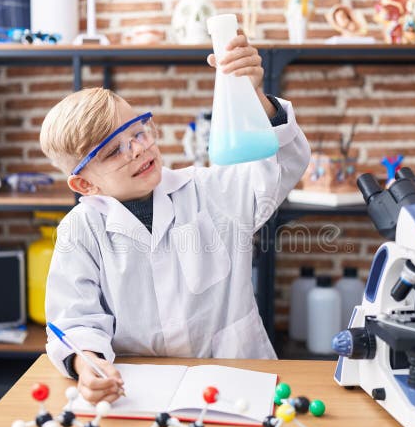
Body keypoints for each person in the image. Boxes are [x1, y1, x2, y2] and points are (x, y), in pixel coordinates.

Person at [40, 32, 311, 403]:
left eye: (138, 131)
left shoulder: (208, 190)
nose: (138, 149)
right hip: (137, 390)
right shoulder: (80, 230)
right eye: (113, 151)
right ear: (84, 184)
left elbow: (284, 163)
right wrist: (87, 363)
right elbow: (74, 320)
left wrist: (256, 99)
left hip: (239, 379)